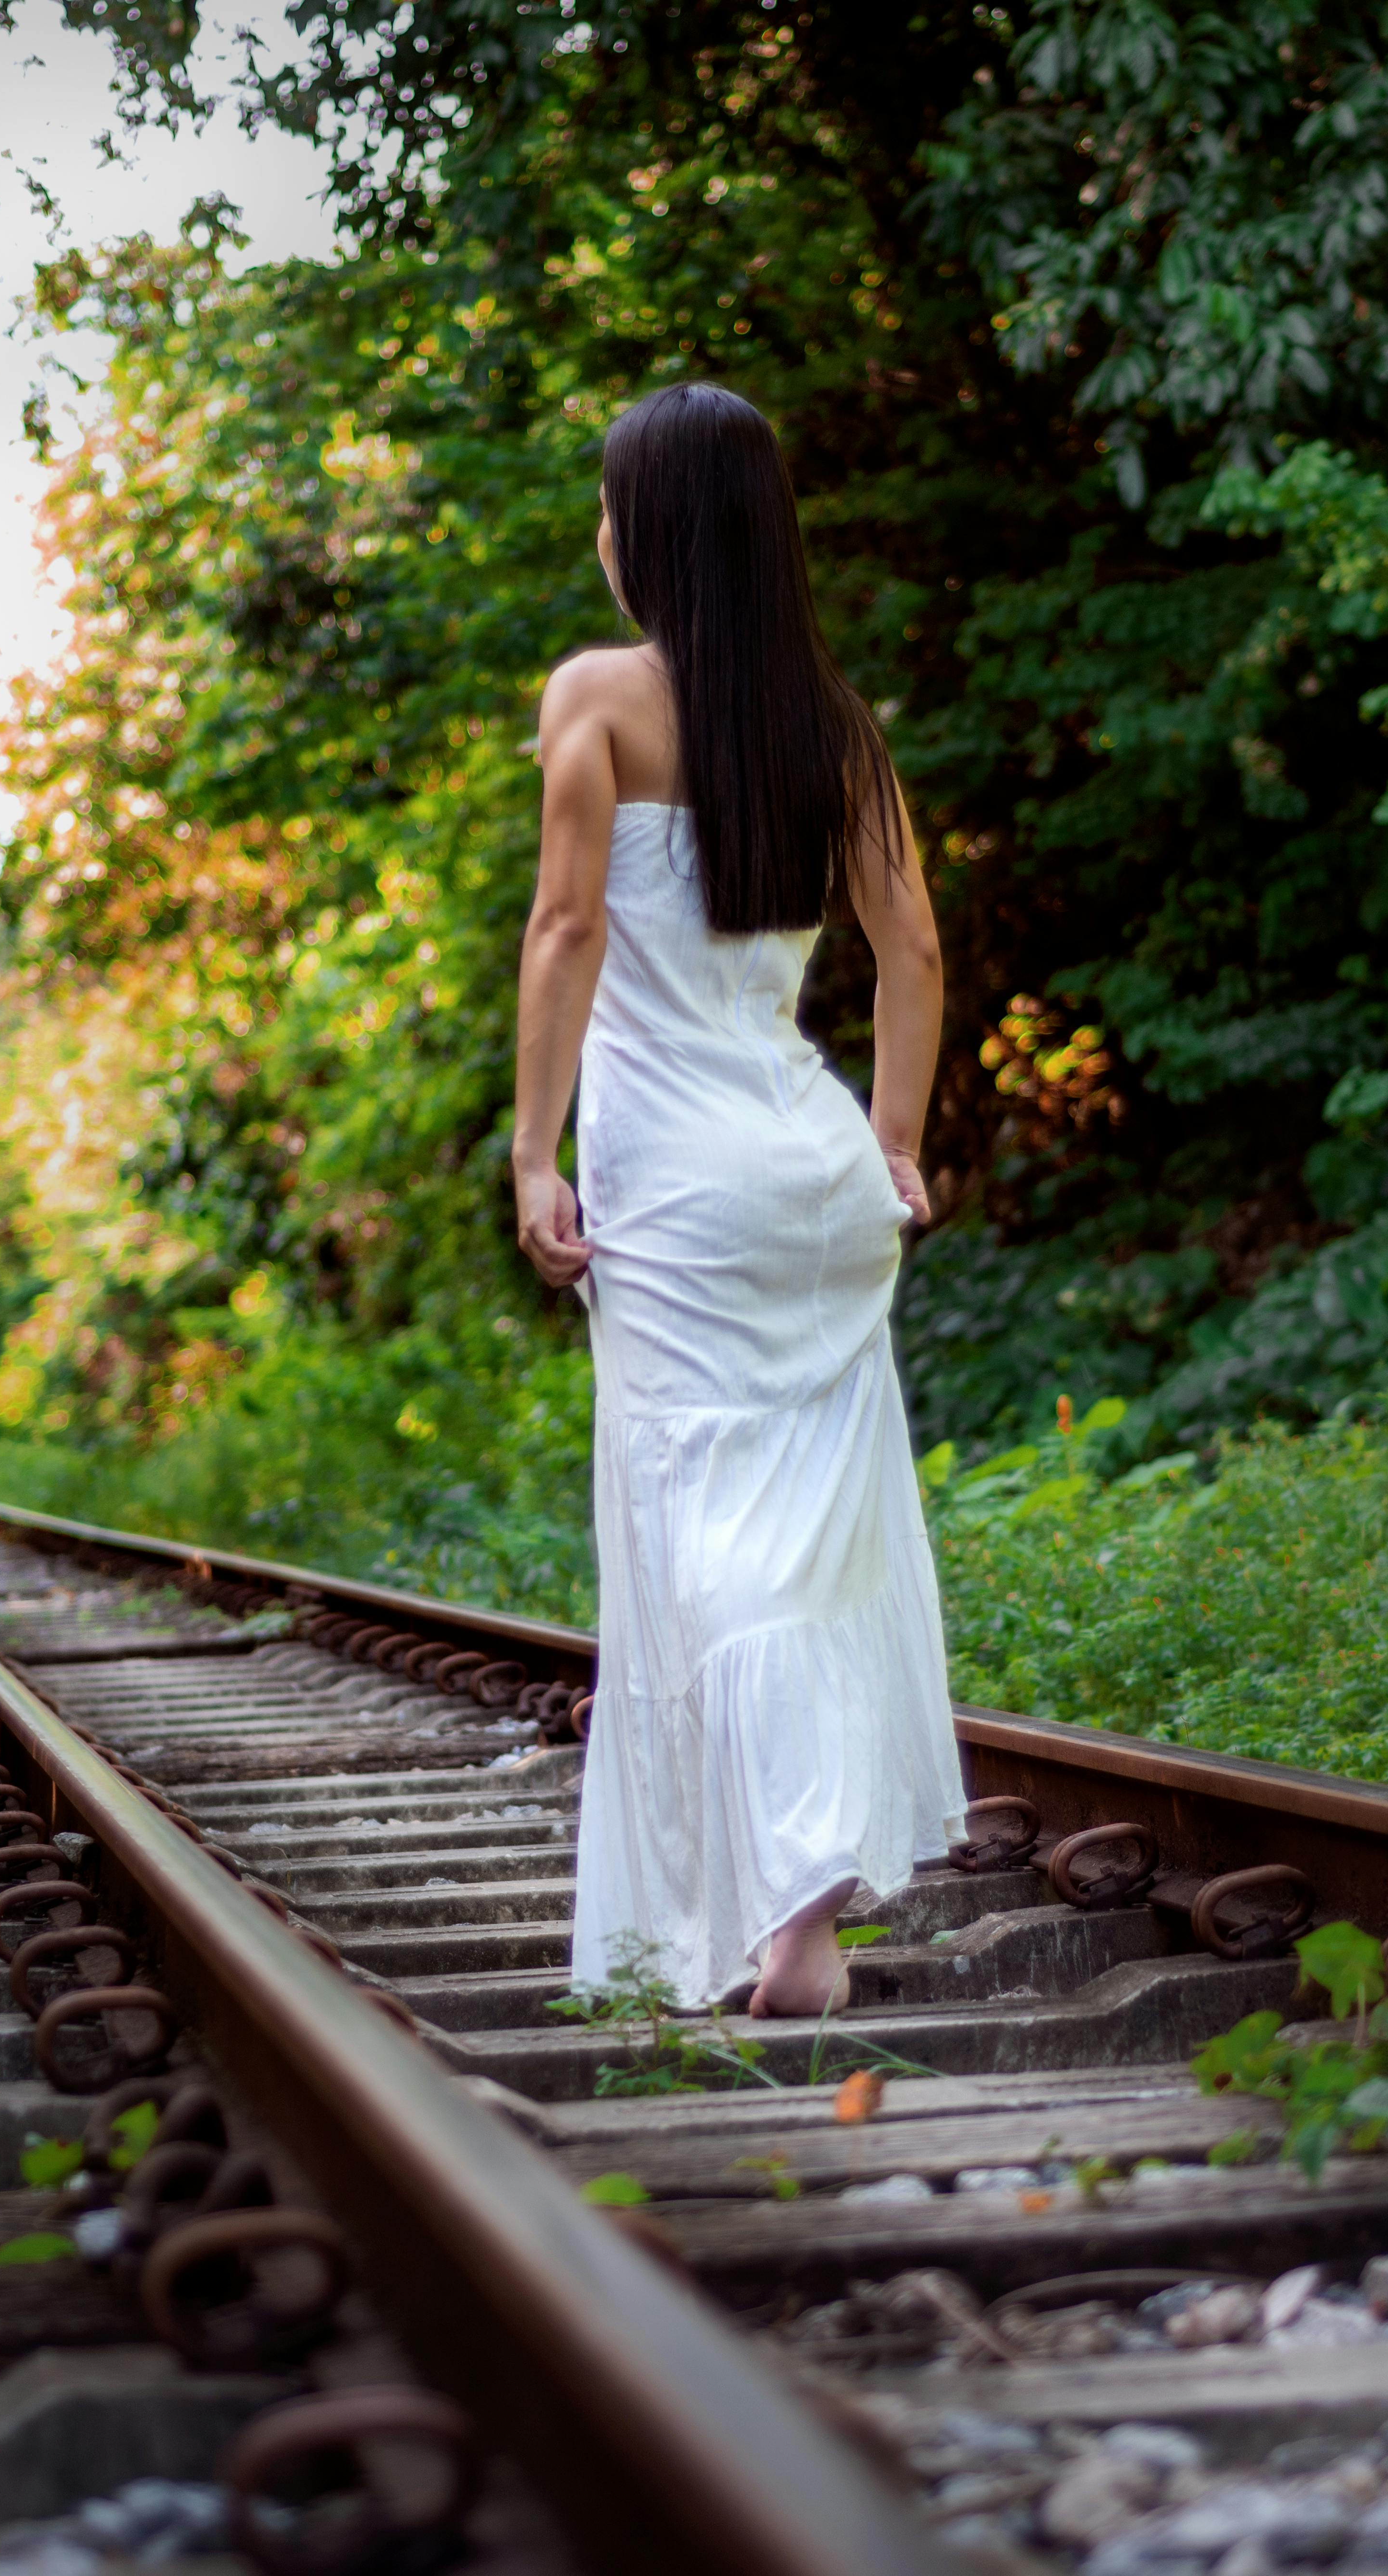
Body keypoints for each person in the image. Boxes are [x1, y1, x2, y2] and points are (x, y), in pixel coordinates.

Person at [511, 381, 966, 2021]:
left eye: (610, 506)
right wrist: (895, 1142)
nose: (600, 535)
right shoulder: (830, 721)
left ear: (652, 533)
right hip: (811, 1163)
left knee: (703, 1549)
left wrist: (531, 1151)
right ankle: (805, 1896)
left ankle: (789, 1922)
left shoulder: (598, 697)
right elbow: (908, 944)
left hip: (680, 1190)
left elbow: (566, 932)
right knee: (823, 1544)